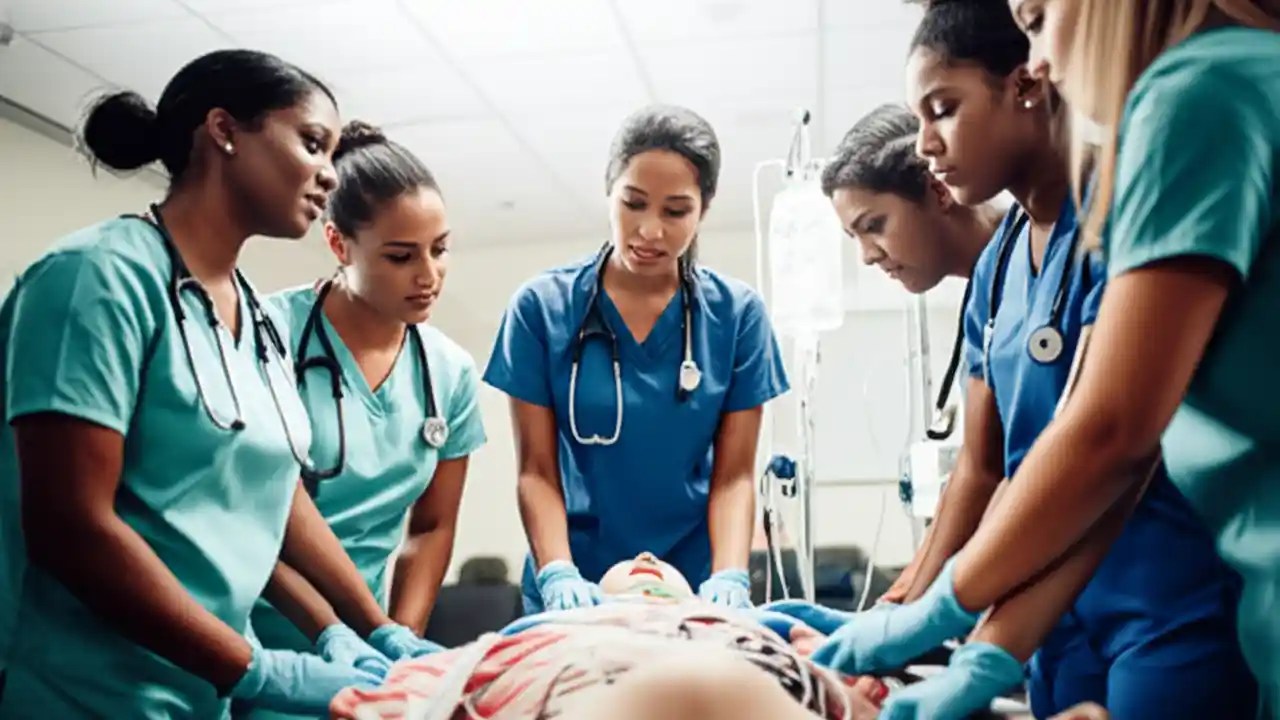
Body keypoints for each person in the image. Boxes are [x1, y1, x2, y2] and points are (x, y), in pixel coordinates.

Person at [774, 2, 1258, 718]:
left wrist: (946, 607)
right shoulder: (998, 270)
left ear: (1025, 86)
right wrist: (914, 612)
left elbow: (1114, 440)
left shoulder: (1132, 180)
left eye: (941, 110)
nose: (926, 146)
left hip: (1163, 599)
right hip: (1055, 611)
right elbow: (989, 464)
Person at [0, 50, 409, 719]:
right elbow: (69, 526)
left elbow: (268, 496)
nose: (330, 175)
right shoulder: (95, 279)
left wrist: (367, 629)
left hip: (197, 696)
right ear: (223, 130)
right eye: (312, 143)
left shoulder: (256, 317)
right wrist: (255, 670)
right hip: (78, 694)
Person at [483, 105, 789, 615]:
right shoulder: (542, 308)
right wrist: (559, 572)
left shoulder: (737, 316)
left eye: (675, 211)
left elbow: (734, 476)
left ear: (703, 210)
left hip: (690, 585)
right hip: (576, 582)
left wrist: (730, 575)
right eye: (634, 203)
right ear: (609, 192)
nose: (650, 231)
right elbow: (537, 470)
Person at [242, 121, 487, 719]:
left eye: (440, 248)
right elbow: (250, 515)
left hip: (369, 648)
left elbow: (430, 528)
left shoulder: (448, 373)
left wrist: (396, 647)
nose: (428, 274)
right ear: (338, 243)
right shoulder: (263, 338)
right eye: (401, 256)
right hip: (250, 641)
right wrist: (341, 633)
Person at [329, 551, 890, 720]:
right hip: (577, 682)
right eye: (626, 563)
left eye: (665, 564)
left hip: (746, 682)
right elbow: (443, 680)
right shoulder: (546, 628)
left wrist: (835, 672)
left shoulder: (748, 625)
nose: (646, 555)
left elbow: (852, 677)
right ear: (592, 592)